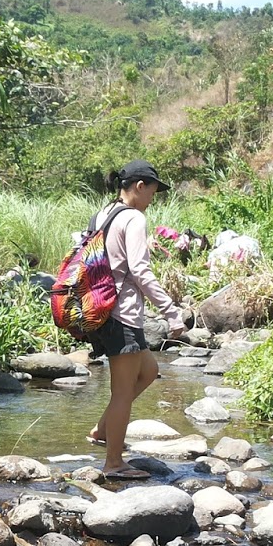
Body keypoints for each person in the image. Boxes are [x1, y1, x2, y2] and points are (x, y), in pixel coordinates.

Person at [84, 160, 188, 473]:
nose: (152, 200)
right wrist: (172, 313)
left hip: (100, 309)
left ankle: (103, 430)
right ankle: (114, 463)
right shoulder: (132, 218)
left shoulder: (102, 213)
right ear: (140, 186)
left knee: (148, 370)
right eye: (153, 193)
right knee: (122, 393)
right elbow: (140, 270)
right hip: (122, 314)